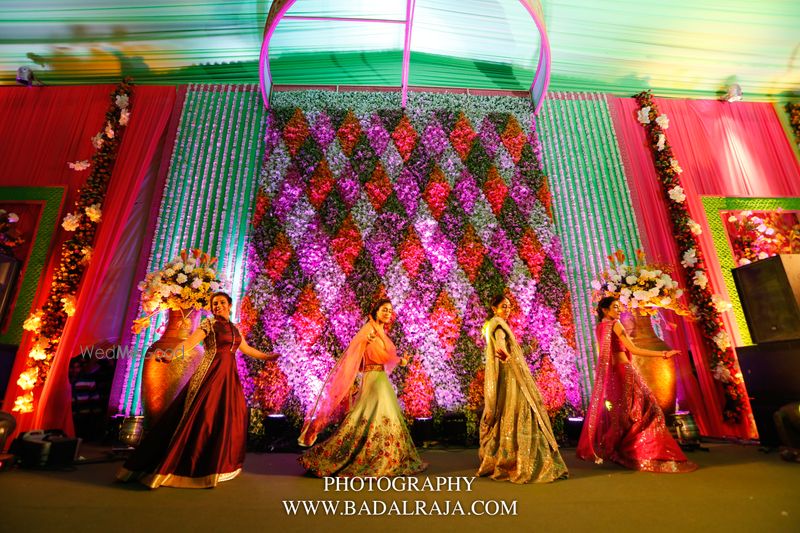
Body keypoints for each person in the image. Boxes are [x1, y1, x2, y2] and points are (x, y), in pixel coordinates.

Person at [117, 292, 278, 488]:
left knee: (229, 416)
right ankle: (185, 464)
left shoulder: (235, 329)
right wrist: (171, 356)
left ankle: (218, 463)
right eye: (214, 303)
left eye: (221, 303)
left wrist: (268, 357)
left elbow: (247, 349)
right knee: (203, 415)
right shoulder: (208, 325)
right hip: (210, 373)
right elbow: (188, 344)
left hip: (228, 378)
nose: (217, 306)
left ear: (229, 305)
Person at [298, 298, 427, 477]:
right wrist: (399, 360)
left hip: (380, 379)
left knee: (377, 416)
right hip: (374, 380)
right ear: (375, 310)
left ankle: (385, 456)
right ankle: (371, 457)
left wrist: (397, 360)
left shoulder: (380, 330)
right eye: (384, 309)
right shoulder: (370, 329)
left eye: (390, 310)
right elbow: (376, 355)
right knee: (370, 416)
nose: (388, 313)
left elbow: (382, 357)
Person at [577, 296, 697, 473]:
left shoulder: (600, 327)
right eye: (615, 307)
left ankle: (626, 448)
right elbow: (634, 349)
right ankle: (643, 451)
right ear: (605, 309)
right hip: (625, 372)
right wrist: (664, 353)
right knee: (649, 409)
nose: (619, 310)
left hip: (612, 374)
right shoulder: (615, 325)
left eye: (619, 306)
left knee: (623, 412)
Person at [477, 294, 568, 483]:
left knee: (515, 411)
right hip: (512, 377)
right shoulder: (499, 326)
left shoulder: (495, 325)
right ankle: (523, 460)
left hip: (511, 375)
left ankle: (512, 455)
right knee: (524, 409)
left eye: (509, 306)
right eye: (503, 306)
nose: (507, 309)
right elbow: (500, 345)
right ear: (494, 308)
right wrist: (505, 356)